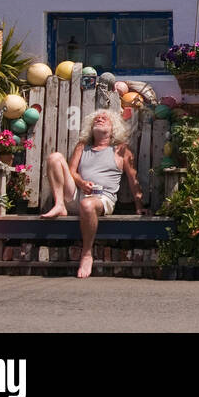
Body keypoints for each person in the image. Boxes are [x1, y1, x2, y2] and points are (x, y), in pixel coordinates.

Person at [40, 109, 146, 278]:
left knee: (87, 205)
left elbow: (133, 180)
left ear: (113, 128)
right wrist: (81, 183)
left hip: (103, 199)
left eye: (105, 118)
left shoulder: (121, 150)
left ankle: (86, 254)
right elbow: (72, 172)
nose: (100, 119)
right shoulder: (82, 147)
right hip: (77, 195)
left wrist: (139, 206)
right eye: (97, 118)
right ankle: (59, 204)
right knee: (54, 158)